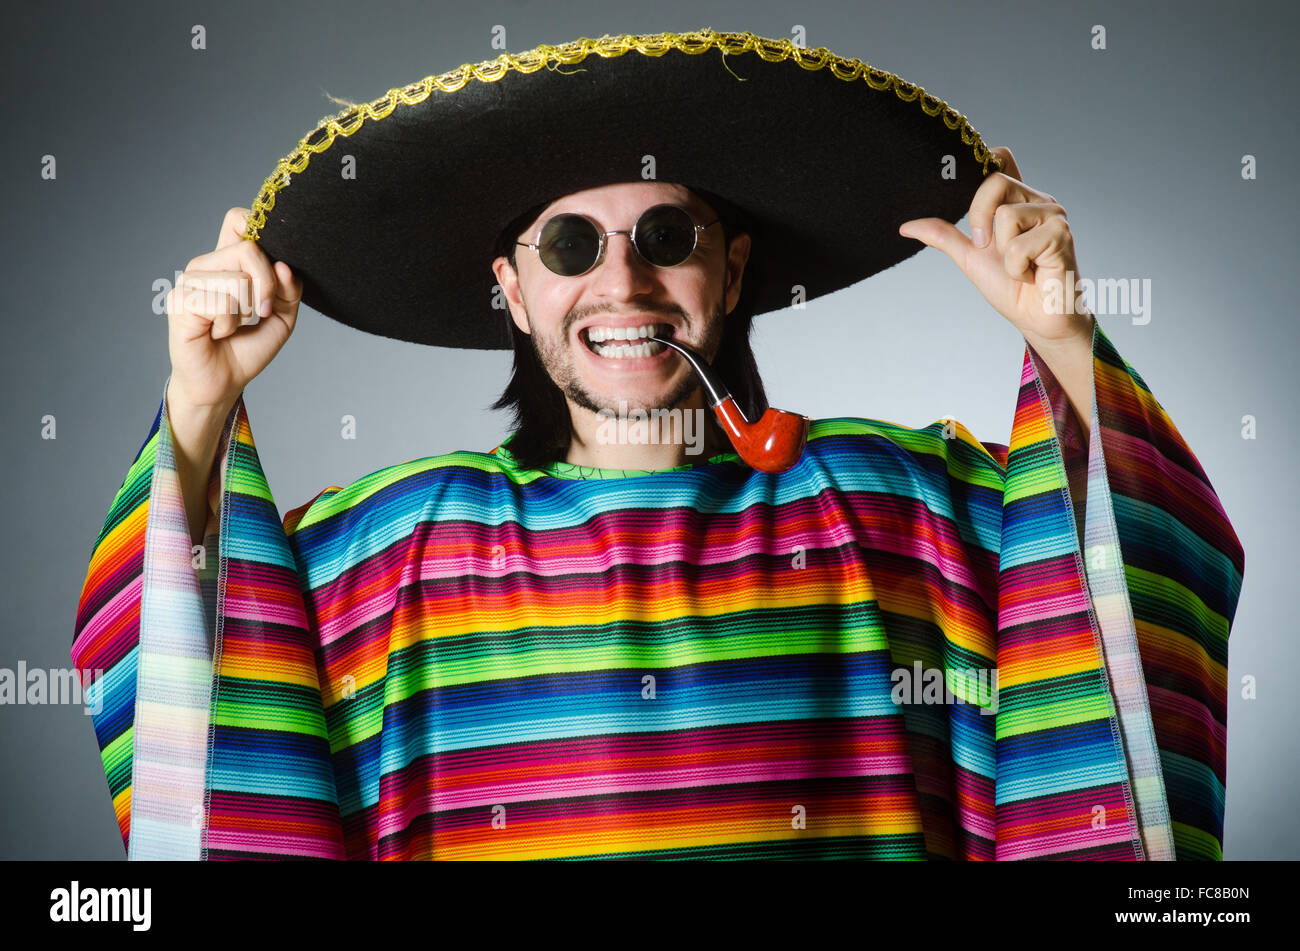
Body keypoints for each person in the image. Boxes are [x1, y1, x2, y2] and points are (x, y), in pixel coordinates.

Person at [71, 29, 1244, 861]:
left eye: (665, 236)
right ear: (513, 293)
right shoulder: (386, 546)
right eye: (569, 246)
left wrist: (1068, 343)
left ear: (731, 270)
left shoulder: (905, 503)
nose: (621, 281)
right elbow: (195, 659)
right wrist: (201, 408)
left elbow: (1115, 589)